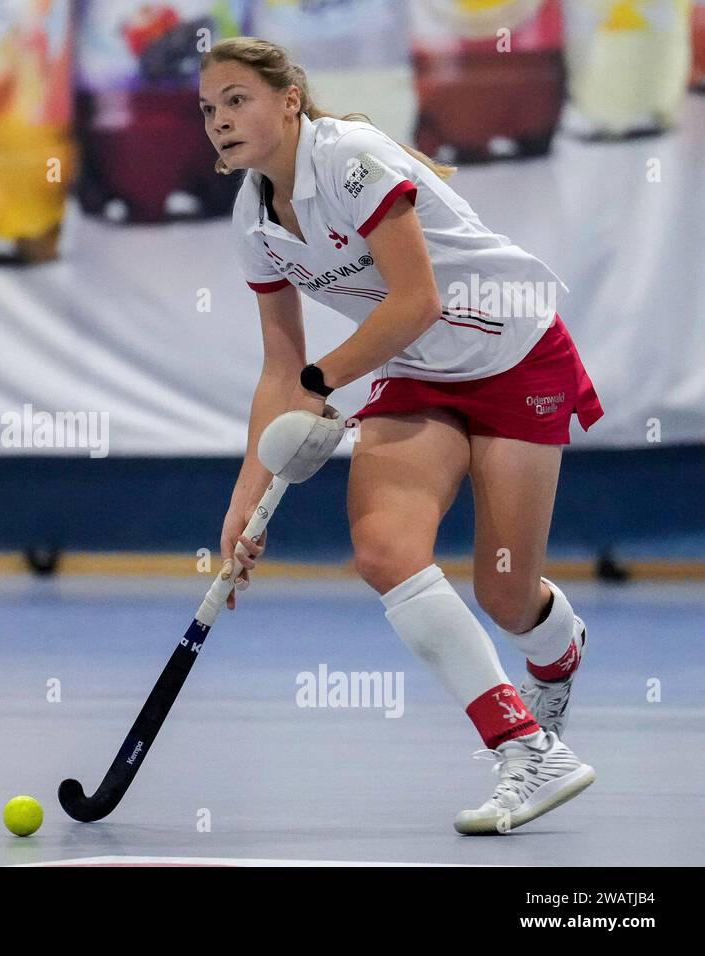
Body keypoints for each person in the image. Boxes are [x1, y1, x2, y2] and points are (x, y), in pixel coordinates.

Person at [201, 37, 602, 834]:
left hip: (514, 350)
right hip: (417, 368)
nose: (219, 121)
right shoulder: (254, 214)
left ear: (289, 99)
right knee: (384, 549)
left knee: (504, 595)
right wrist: (243, 505)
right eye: (208, 110)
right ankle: (523, 746)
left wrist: (325, 385)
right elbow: (281, 364)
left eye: (237, 99)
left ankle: (556, 652)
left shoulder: (349, 159)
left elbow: (413, 300)